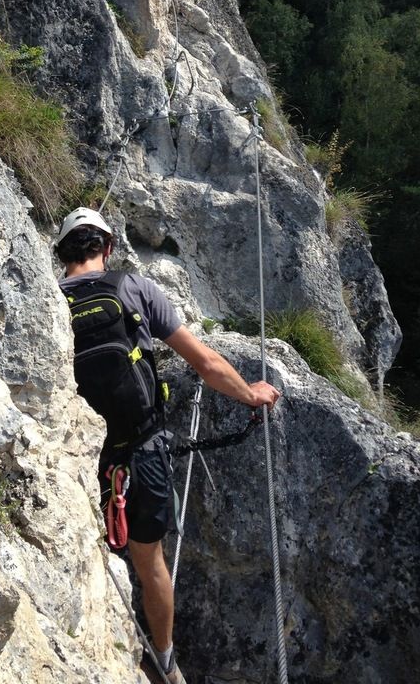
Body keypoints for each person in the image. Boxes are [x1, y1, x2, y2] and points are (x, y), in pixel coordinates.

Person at [55, 207, 281, 684]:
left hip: (76, 451)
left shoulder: (50, 300)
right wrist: (250, 393)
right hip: (140, 450)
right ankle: (164, 660)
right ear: (108, 248)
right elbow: (205, 362)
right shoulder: (134, 288)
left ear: (62, 253)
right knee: (148, 558)